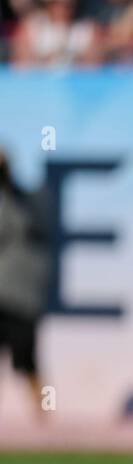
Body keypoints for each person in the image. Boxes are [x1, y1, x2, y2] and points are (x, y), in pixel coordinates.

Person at [0, 147, 51, 419]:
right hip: (6, 295)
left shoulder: (25, 202)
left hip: (19, 299)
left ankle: (45, 421)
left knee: (28, 364)